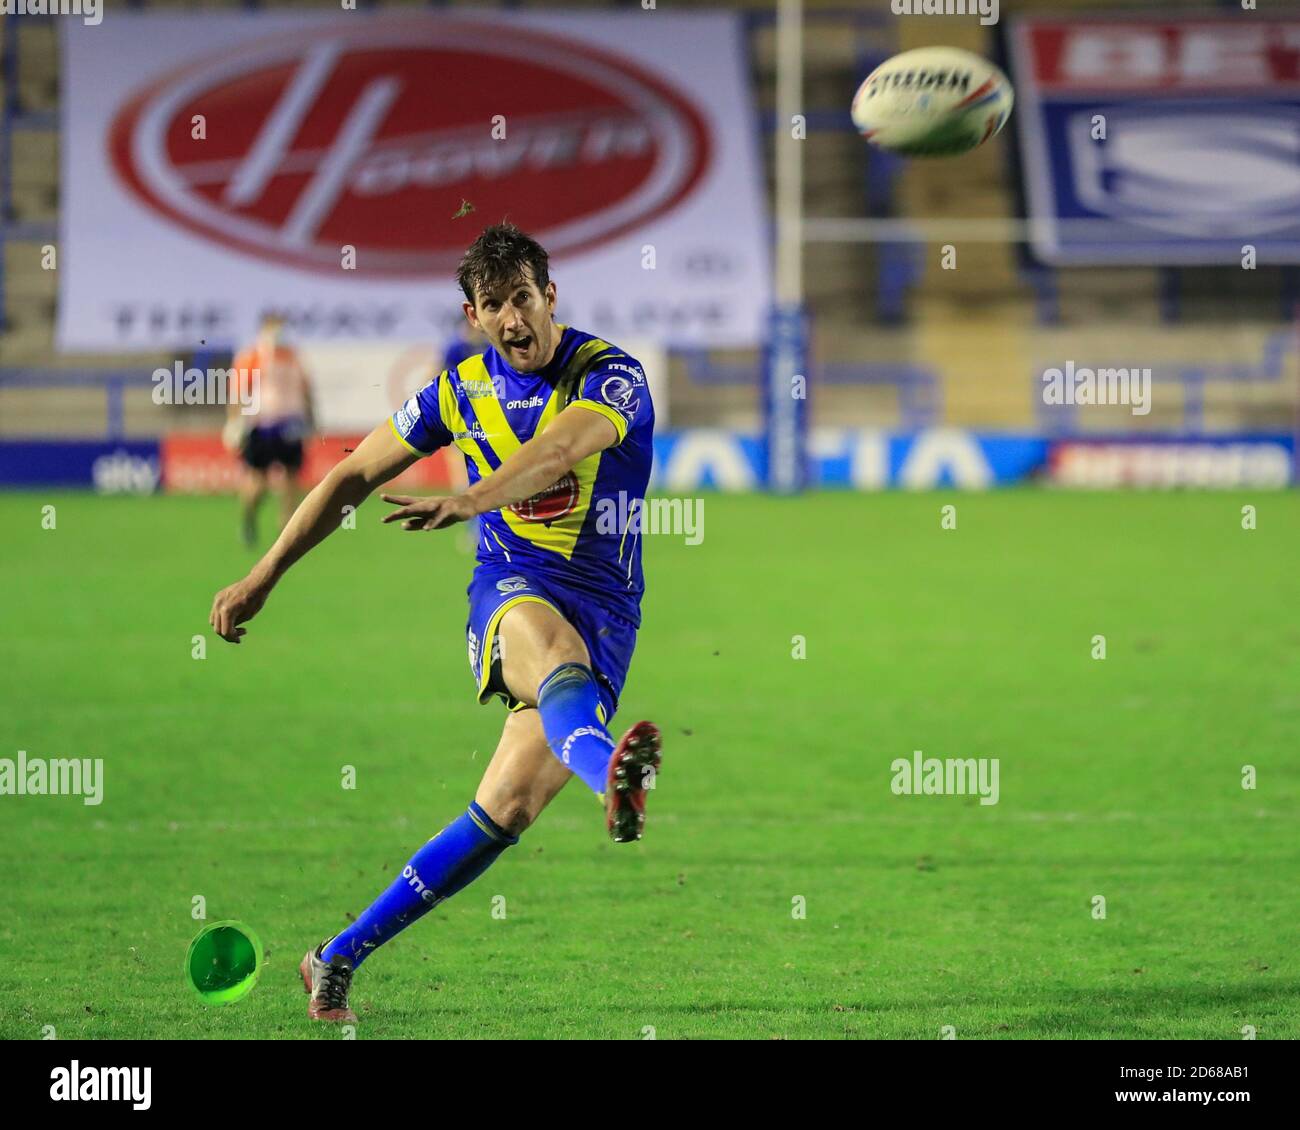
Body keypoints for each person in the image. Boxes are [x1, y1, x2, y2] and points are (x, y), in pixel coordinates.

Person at [208, 223, 661, 1023]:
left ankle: (335, 957)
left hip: (608, 610)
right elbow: (349, 475)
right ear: (473, 317)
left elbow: (558, 453)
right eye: (495, 305)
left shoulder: (612, 377)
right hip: (513, 589)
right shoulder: (457, 393)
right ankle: (613, 781)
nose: (513, 318)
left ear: (549, 296)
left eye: (524, 297)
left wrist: (469, 499)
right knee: (551, 654)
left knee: (507, 811)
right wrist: (264, 573)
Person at [223, 313, 315, 547]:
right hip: (261, 424)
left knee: (291, 481)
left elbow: (306, 391)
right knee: (259, 481)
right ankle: (249, 517)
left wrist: (312, 419)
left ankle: (287, 535)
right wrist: (234, 422)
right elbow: (238, 392)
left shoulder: (294, 357)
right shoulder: (253, 356)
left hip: (291, 423)